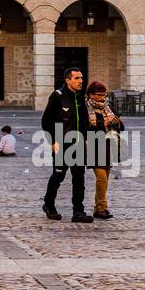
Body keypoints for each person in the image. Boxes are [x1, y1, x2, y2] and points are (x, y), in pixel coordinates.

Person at [42, 67, 93, 224]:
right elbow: (46, 122)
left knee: (79, 179)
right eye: (77, 78)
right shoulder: (57, 96)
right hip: (61, 144)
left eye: (81, 78)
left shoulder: (80, 98)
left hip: (77, 144)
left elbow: (84, 121)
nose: (81, 81)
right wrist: (54, 141)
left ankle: (78, 211)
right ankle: (49, 205)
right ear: (68, 80)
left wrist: (86, 138)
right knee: (58, 176)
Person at [85, 81, 124, 220]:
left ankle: (98, 208)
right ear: (90, 94)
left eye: (104, 94)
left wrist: (116, 121)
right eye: (99, 94)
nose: (102, 97)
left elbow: (121, 126)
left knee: (105, 178)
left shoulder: (108, 106)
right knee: (101, 178)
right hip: (93, 144)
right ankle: (102, 207)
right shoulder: (86, 107)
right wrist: (104, 123)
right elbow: (86, 127)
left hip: (108, 144)